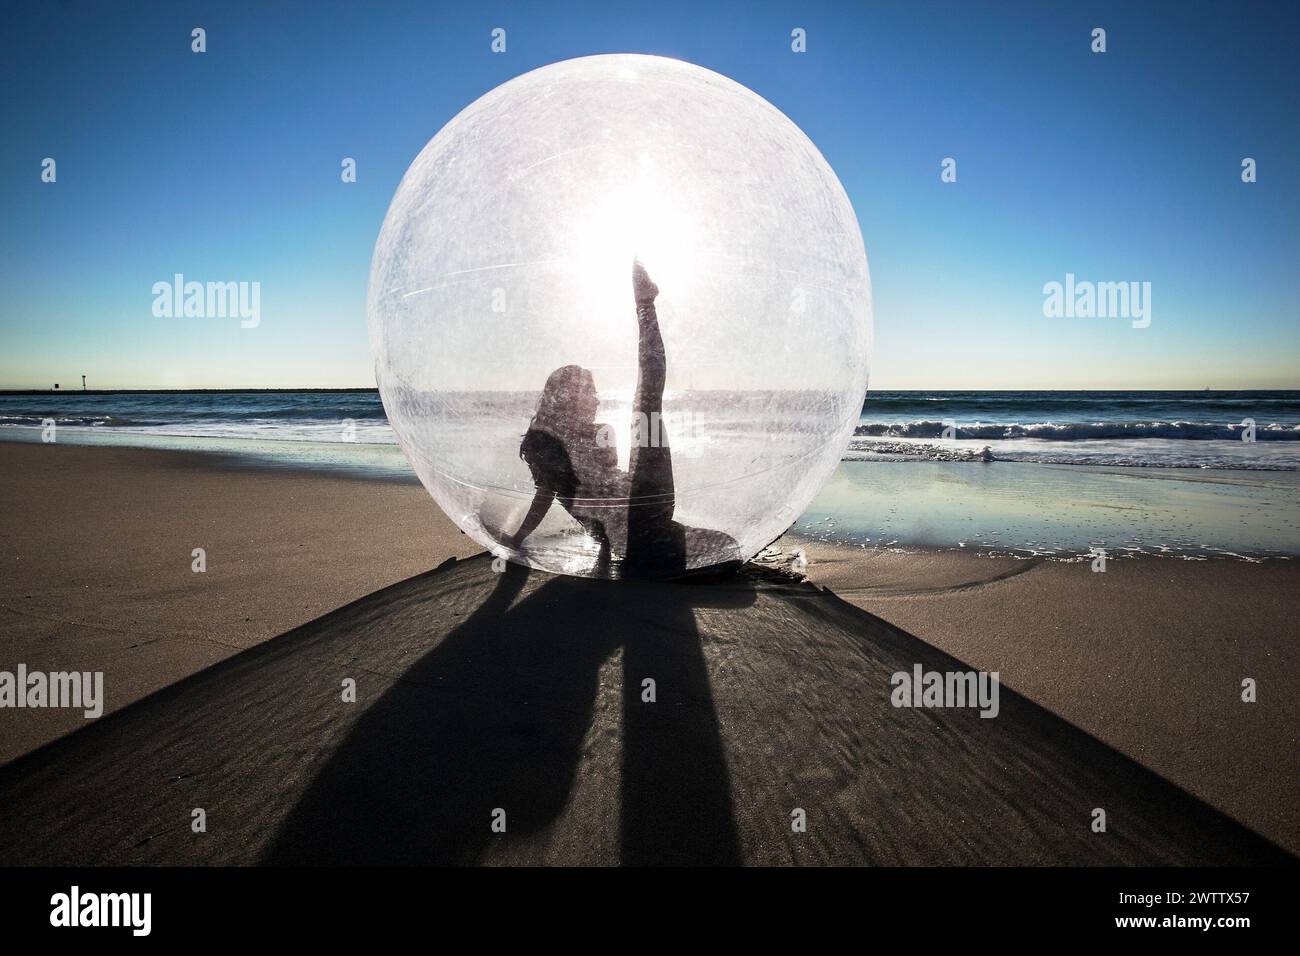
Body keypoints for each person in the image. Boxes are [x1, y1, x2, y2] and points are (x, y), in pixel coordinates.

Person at [505, 261, 738, 577]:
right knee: (648, 403)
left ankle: (645, 303)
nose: (596, 398)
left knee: (648, 405)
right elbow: (558, 498)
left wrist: (601, 548)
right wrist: (518, 538)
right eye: (587, 392)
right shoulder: (553, 440)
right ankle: (646, 305)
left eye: (594, 391)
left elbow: (582, 503)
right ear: (565, 396)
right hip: (642, 522)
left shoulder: (578, 436)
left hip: (640, 526)